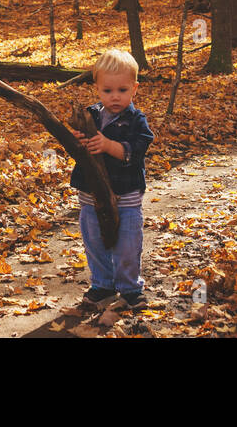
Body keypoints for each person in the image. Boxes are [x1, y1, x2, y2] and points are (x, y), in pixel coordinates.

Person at [68, 48, 155, 309]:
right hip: (91, 194)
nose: (115, 97)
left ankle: (129, 288)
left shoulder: (136, 120)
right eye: (107, 91)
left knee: (127, 243)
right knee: (94, 239)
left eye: (122, 90)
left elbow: (136, 151)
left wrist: (108, 145)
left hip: (125, 194)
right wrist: (79, 141)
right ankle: (103, 285)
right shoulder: (90, 115)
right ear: (97, 88)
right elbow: (76, 148)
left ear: (134, 89)